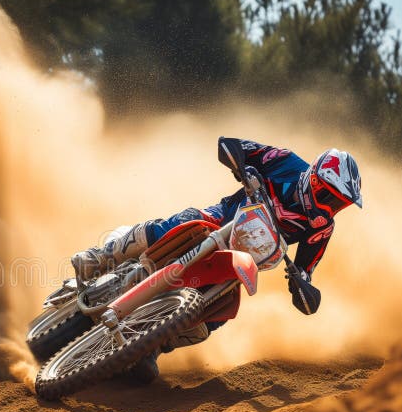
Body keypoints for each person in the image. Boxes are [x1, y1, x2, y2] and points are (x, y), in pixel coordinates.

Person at [71, 137, 363, 384]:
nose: (331, 207)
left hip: (243, 259)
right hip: (221, 221)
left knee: (221, 312)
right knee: (186, 221)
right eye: (329, 196)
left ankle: (153, 346)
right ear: (314, 178)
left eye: (340, 204)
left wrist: (301, 284)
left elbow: (305, 272)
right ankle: (103, 257)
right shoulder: (286, 161)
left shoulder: (322, 228)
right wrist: (242, 166)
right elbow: (230, 144)